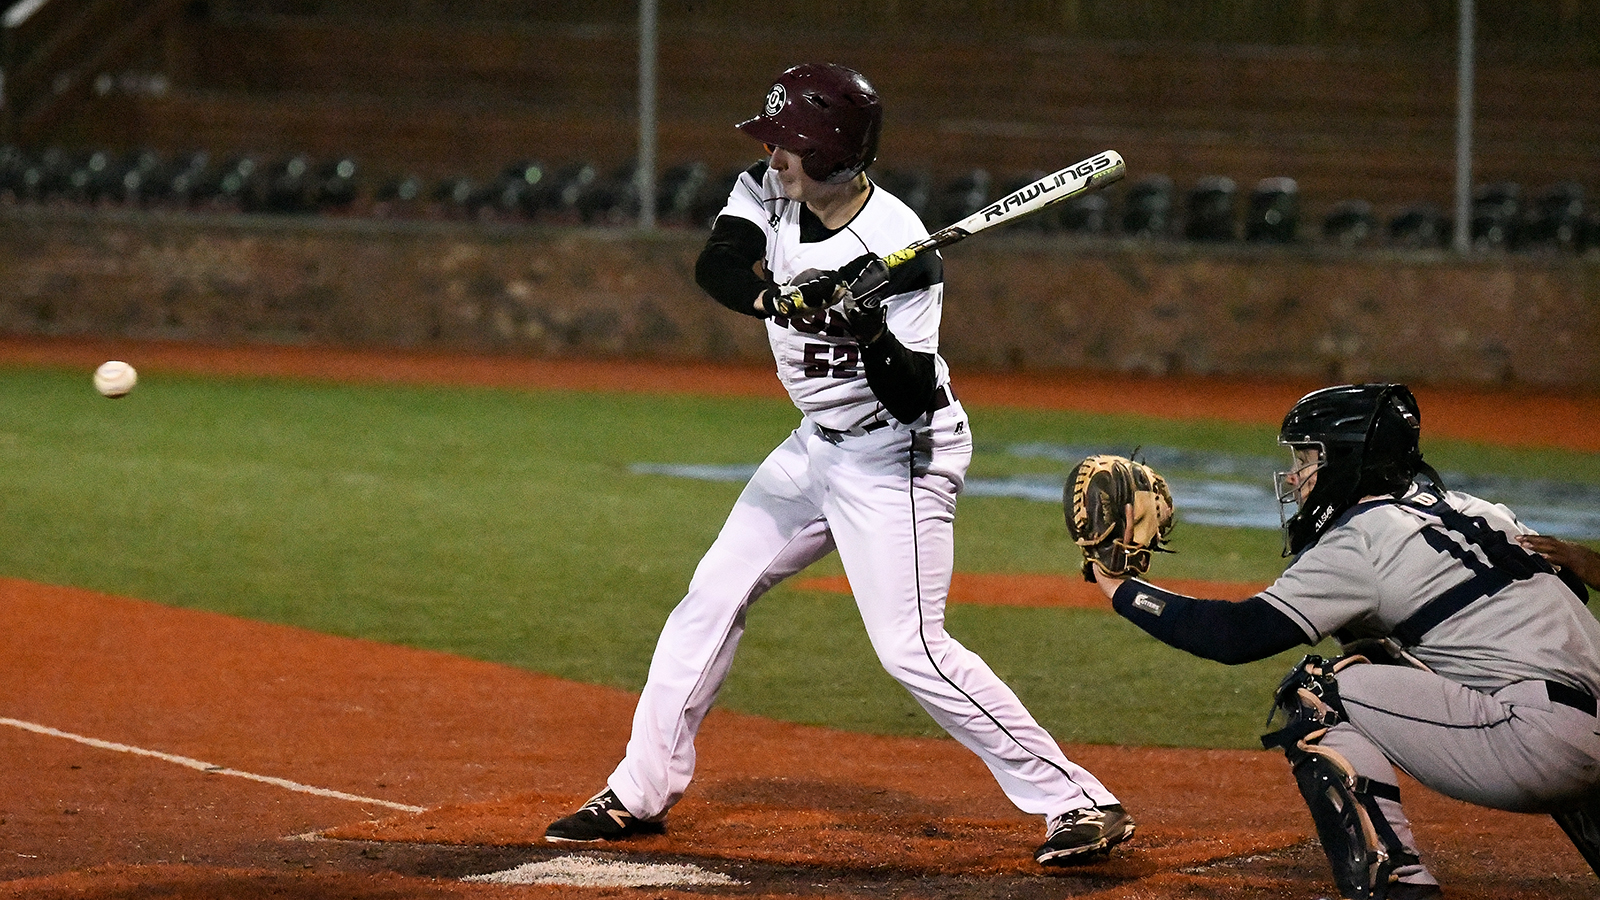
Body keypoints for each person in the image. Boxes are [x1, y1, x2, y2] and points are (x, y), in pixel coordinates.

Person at [543, 62, 1134, 867]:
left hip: (900, 458)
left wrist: (869, 325)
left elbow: (912, 395)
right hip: (812, 447)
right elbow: (720, 264)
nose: (773, 157)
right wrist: (781, 298)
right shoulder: (767, 190)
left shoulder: (900, 248)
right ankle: (639, 793)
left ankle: (1078, 800)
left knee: (911, 648)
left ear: (829, 152)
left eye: (788, 144)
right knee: (710, 598)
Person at [1089, 383, 1600, 900]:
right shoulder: (1483, 511)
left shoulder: (1361, 539)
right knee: (1386, 655)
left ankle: (1398, 886)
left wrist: (1119, 587)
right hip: (1577, 726)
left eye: (1308, 456)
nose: (1295, 474)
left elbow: (1235, 636)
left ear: (1347, 461)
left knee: (1319, 692)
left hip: (1541, 747)